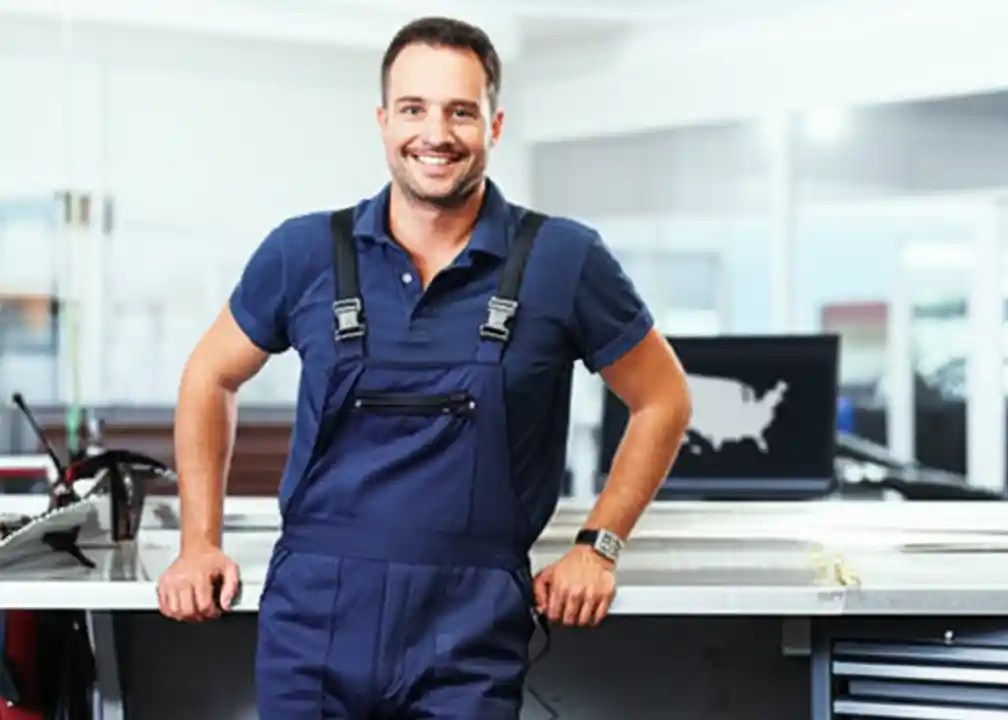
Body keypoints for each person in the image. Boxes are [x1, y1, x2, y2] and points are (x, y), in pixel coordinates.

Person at [155, 15, 691, 718]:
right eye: (413, 109)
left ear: (493, 126)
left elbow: (665, 399)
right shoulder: (304, 252)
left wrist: (600, 544)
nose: (435, 134)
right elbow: (208, 376)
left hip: (472, 630)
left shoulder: (564, 259)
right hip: (312, 622)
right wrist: (199, 544)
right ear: (383, 121)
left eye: (460, 112)